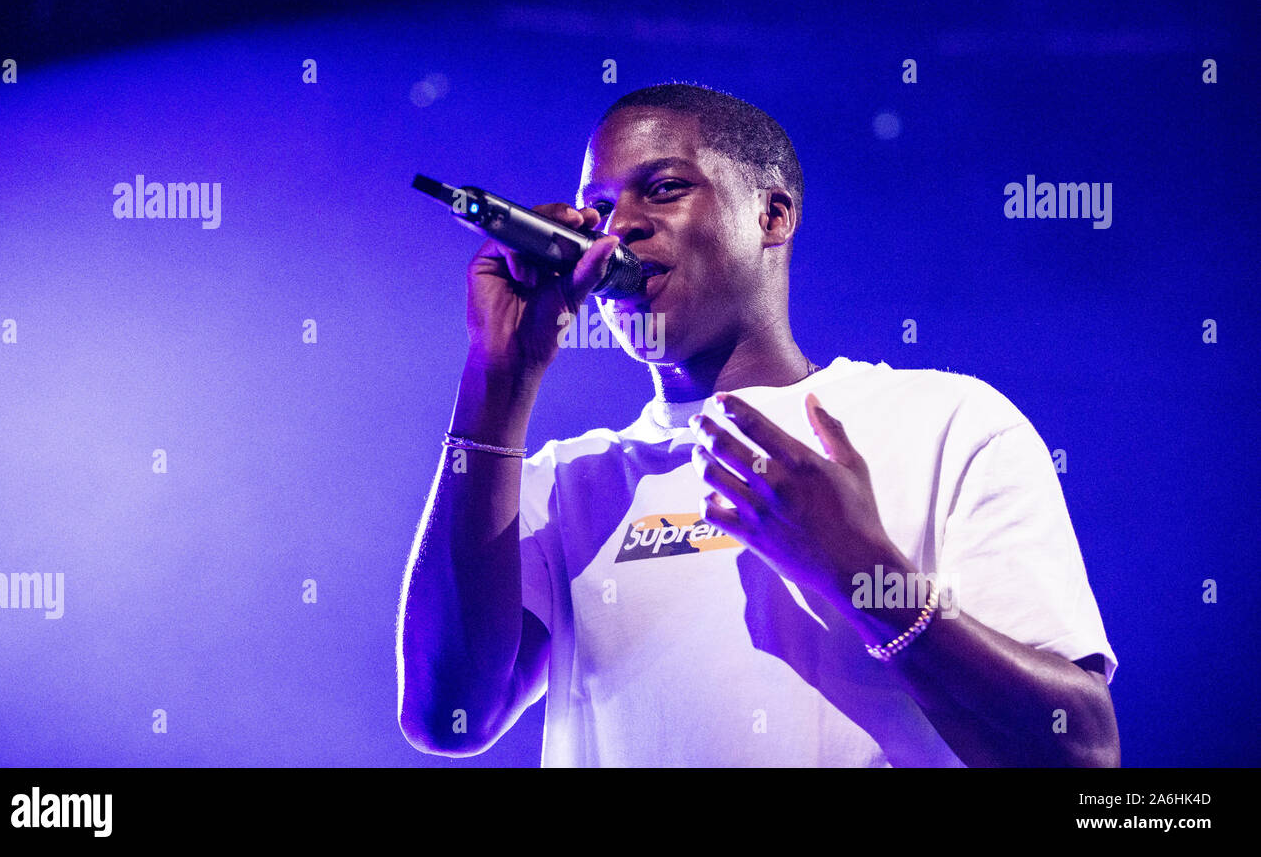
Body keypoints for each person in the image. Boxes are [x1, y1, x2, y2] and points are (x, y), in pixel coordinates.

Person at [397, 82, 1119, 767]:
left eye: (665, 187)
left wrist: (858, 569)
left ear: (772, 216)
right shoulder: (563, 484)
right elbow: (446, 719)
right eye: (600, 208)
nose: (621, 228)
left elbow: (1081, 752)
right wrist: (499, 379)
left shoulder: (949, 423)